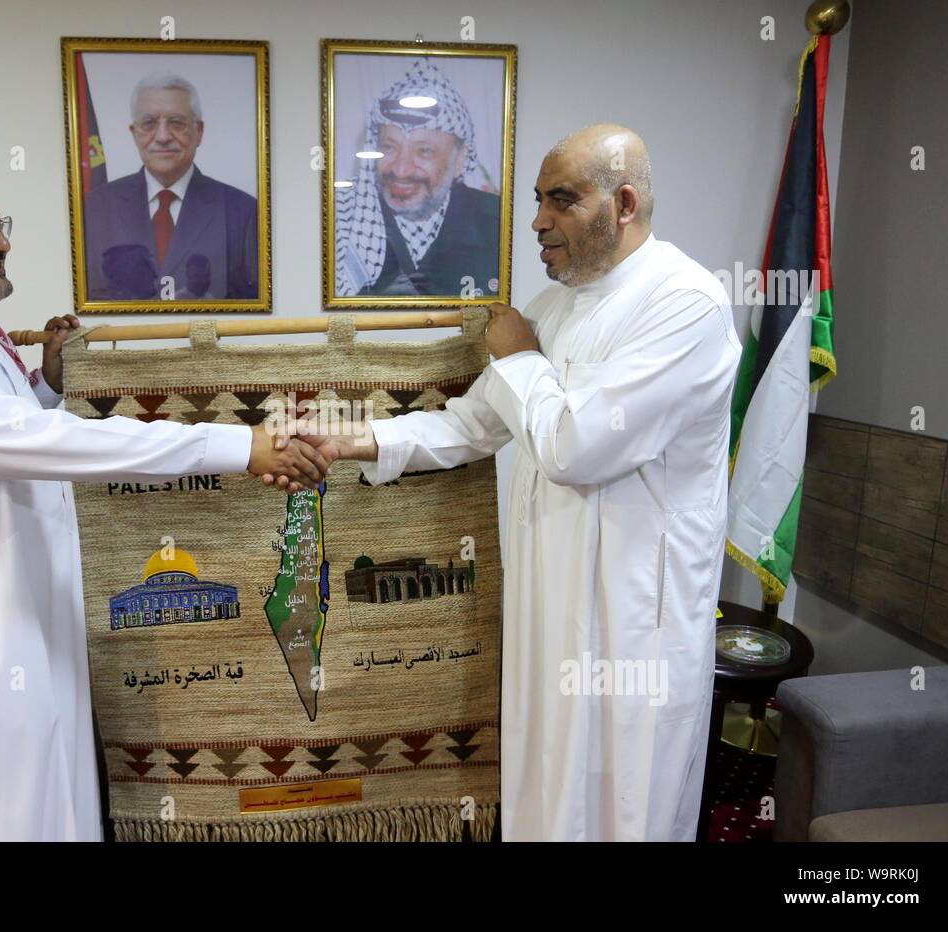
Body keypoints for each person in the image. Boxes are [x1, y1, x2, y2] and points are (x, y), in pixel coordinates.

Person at [0, 162, 325, 841]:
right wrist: (243, 448)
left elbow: (2, 427)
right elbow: (46, 444)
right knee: (1, 813)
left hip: (18, 613)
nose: (1, 243)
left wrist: (48, 382)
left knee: (57, 795)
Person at [283, 125, 742, 841]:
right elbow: (475, 425)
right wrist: (352, 441)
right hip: (544, 616)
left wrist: (521, 358)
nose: (536, 222)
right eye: (537, 201)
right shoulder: (554, 305)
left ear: (623, 204)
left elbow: (572, 446)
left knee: (625, 812)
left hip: (629, 638)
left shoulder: (688, 304)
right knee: (542, 803)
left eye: (561, 201)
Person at [83, 72, 258, 300]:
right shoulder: (95, 207)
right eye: (149, 123)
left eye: (177, 123)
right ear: (134, 133)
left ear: (199, 132)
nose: (163, 136)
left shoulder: (242, 211)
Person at [334, 58, 501, 298]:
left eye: (424, 151)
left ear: (460, 160)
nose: (401, 170)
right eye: (389, 147)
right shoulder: (344, 218)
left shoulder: (496, 222)